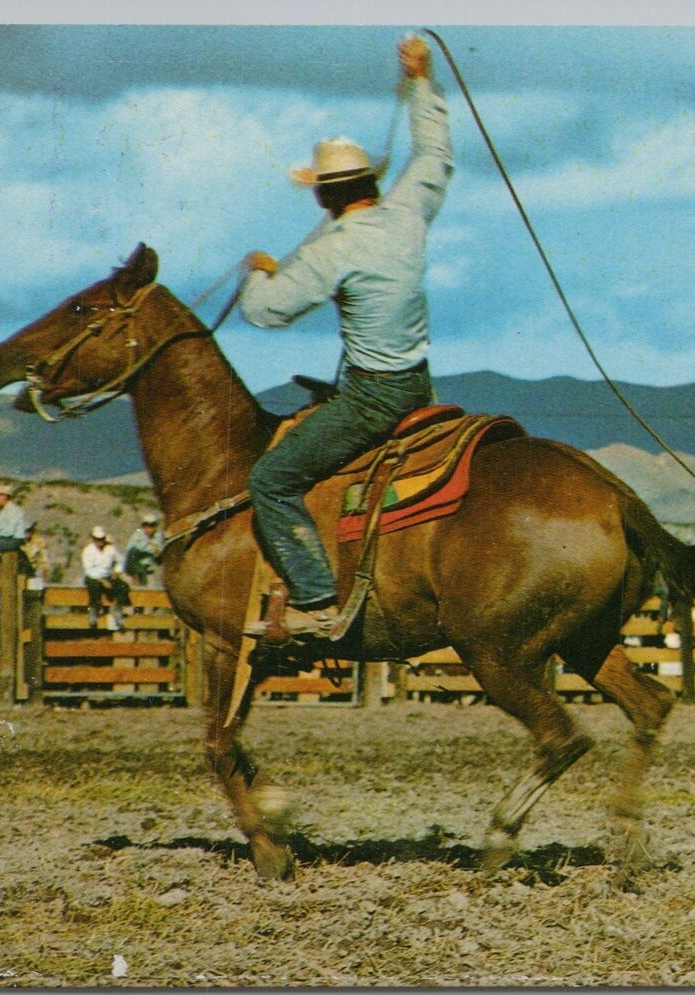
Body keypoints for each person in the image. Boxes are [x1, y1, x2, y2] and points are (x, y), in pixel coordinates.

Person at [239, 35, 452, 638]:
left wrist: (260, 274)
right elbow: (435, 152)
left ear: (322, 194)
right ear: (372, 184)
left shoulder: (333, 248)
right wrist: (420, 81)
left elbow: (264, 314)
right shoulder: (407, 212)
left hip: (369, 398)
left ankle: (315, 600)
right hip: (417, 385)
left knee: (271, 480)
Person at [81, 526, 131, 630]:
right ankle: (93, 614)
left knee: (124, 587)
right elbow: (89, 570)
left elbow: (120, 560)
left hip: (107, 576)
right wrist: (103, 581)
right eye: (97, 539)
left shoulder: (110, 549)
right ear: (93, 539)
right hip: (93, 577)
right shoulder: (88, 551)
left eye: (101, 539)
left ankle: (117, 611)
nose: (99, 541)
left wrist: (117, 571)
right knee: (94, 588)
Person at [125, 513, 162, 586]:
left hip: (149, 566)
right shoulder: (138, 534)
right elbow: (130, 548)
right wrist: (149, 546)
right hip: (136, 565)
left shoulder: (158, 535)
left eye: (151, 526)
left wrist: (148, 547)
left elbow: (158, 549)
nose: (148, 529)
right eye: (146, 526)